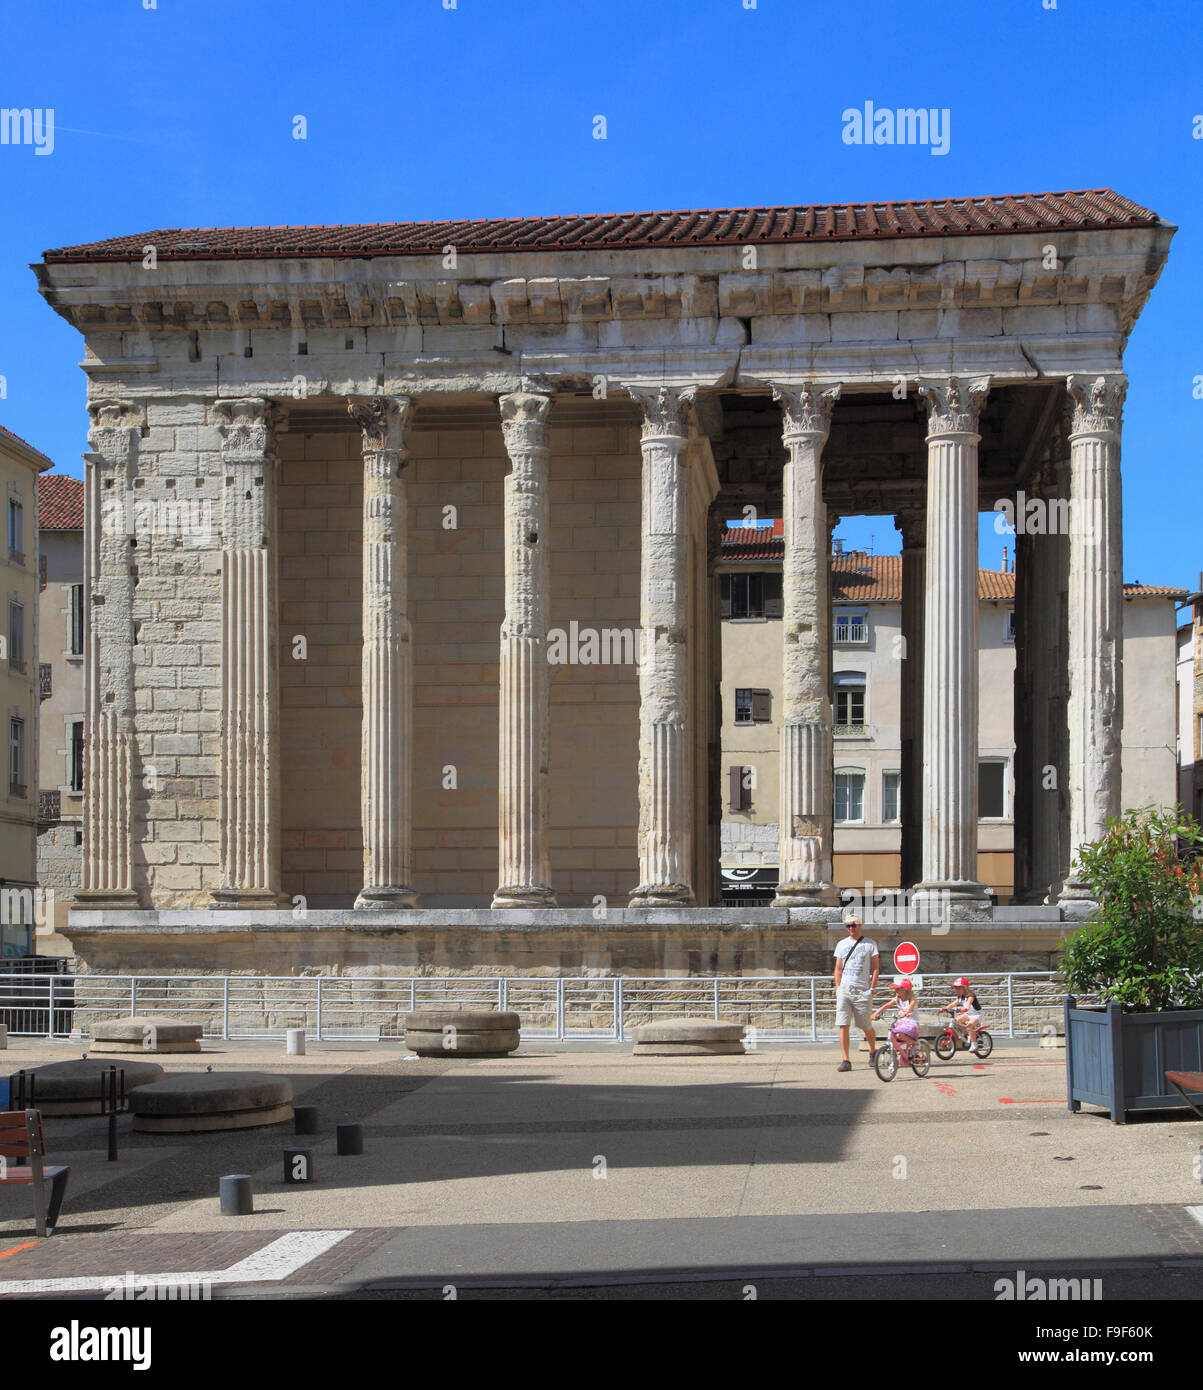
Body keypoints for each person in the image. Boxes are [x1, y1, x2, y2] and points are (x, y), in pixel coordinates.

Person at [833, 912, 879, 1071]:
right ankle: (846, 1059)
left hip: (861, 989)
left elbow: (875, 968)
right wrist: (838, 987)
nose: (851, 928)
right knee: (843, 1024)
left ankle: (873, 1051)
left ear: (860, 925)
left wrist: (872, 987)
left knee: (865, 1024)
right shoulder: (841, 944)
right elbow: (838, 968)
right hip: (845, 988)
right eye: (848, 925)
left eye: (853, 925)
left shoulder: (870, 944)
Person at [872, 977, 921, 1053]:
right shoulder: (897, 999)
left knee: (899, 1035)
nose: (896, 991)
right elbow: (886, 1005)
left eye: (898, 989)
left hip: (911, 1023)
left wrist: (905, 1013)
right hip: (902, 1023)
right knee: (893, 1035)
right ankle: (896, 1055)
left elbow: (910, 1008)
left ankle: (915, 1043)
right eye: (895, 989)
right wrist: (876, 1013)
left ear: (905, 989)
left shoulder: (912, 999)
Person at [939, 975, 983, 1048]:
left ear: (965, 987)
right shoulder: (961, 997)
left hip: (976, 1015)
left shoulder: (971, 995)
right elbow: (953, 1004)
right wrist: (945, 1008)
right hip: (968, 1014)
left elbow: (967, 1007)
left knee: (969, 1026)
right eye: (956, 988)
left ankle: (974, 1045)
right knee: (955, 1021)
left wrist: (961, 1009)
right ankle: (967, 1033)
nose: (957, 990)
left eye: (959, 988)